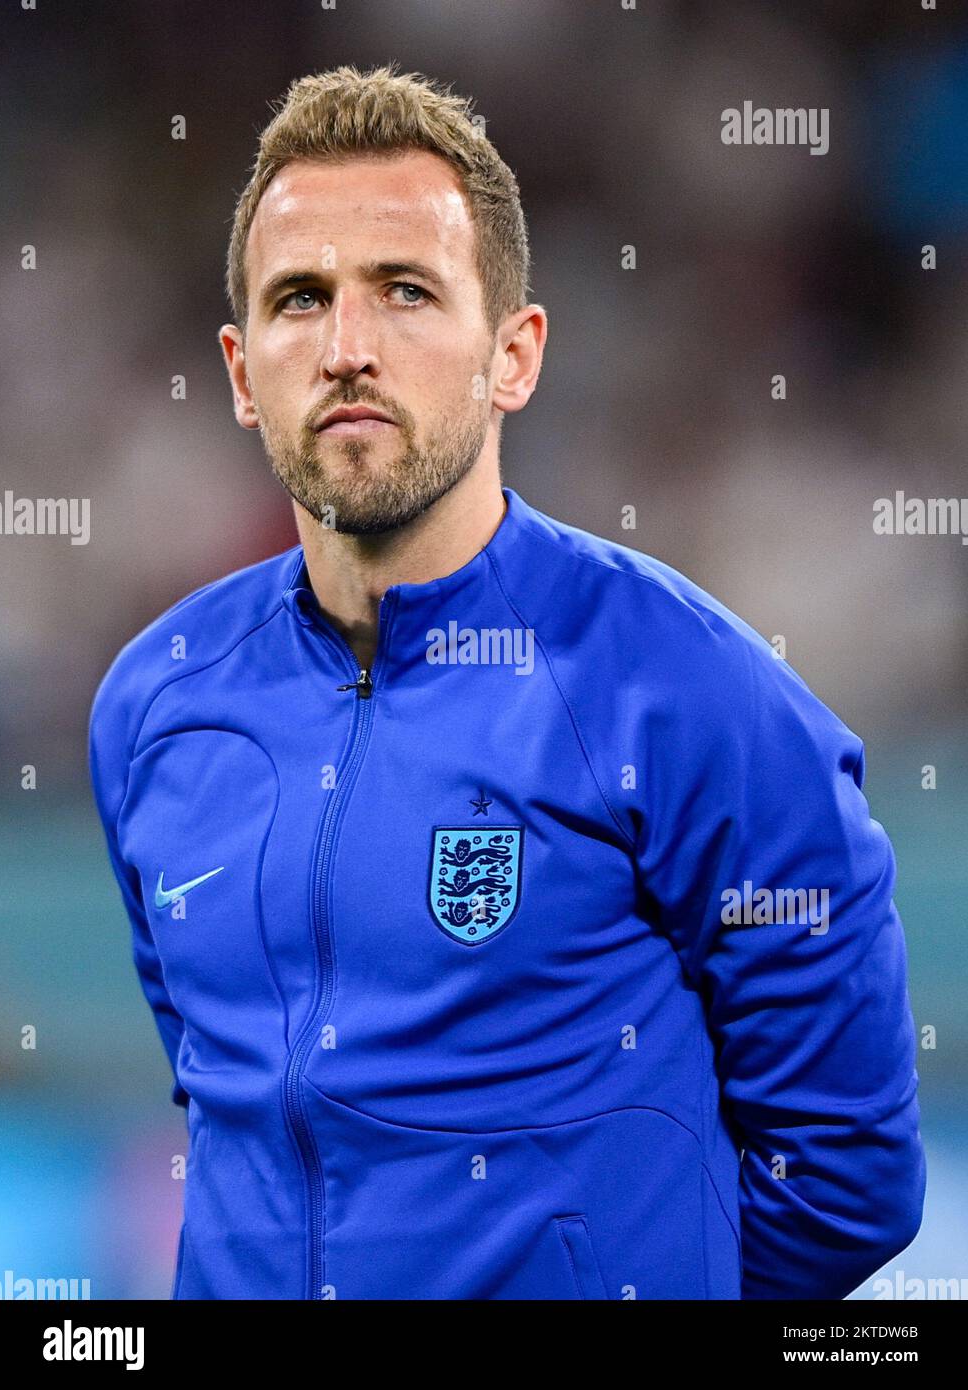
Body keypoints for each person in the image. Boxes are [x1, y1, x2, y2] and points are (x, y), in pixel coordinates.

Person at [88, 63, 926, 1301]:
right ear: (237, 367)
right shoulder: (150, 707)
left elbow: (847, 1172)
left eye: (407, 293)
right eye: (301, 299)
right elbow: (231, 1099)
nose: (347, 350)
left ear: (515, 353)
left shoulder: (686, 692)